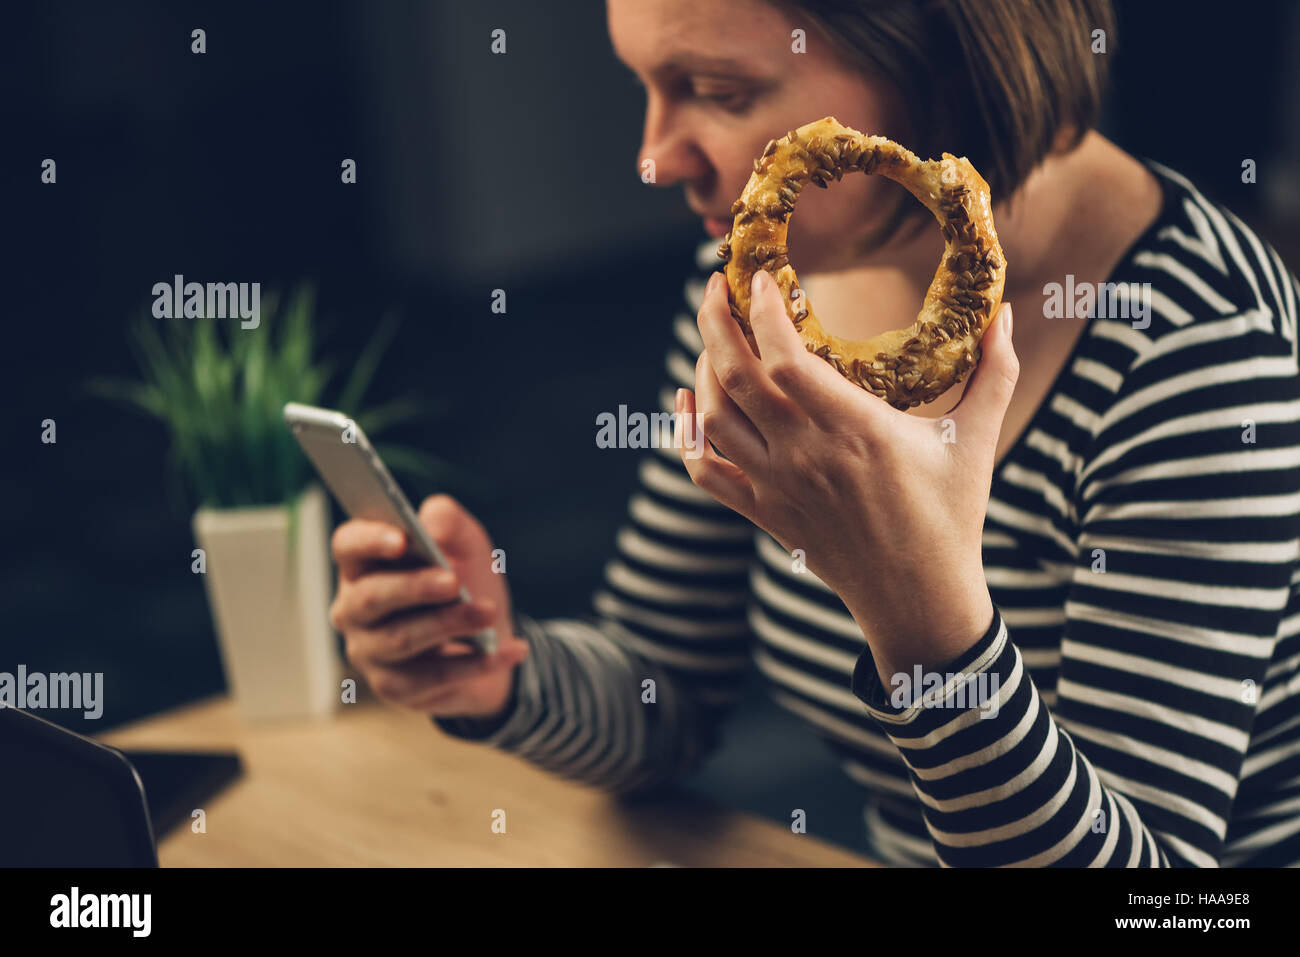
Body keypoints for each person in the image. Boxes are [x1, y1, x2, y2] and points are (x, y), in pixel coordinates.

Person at [329, 0, 1300, 866]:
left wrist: (915, 606)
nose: (656, 156)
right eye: (646, 85)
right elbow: (662, 690)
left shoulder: (1199, 351)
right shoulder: (768, 284)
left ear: (949, 58)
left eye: (718, 89)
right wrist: (499, 673)